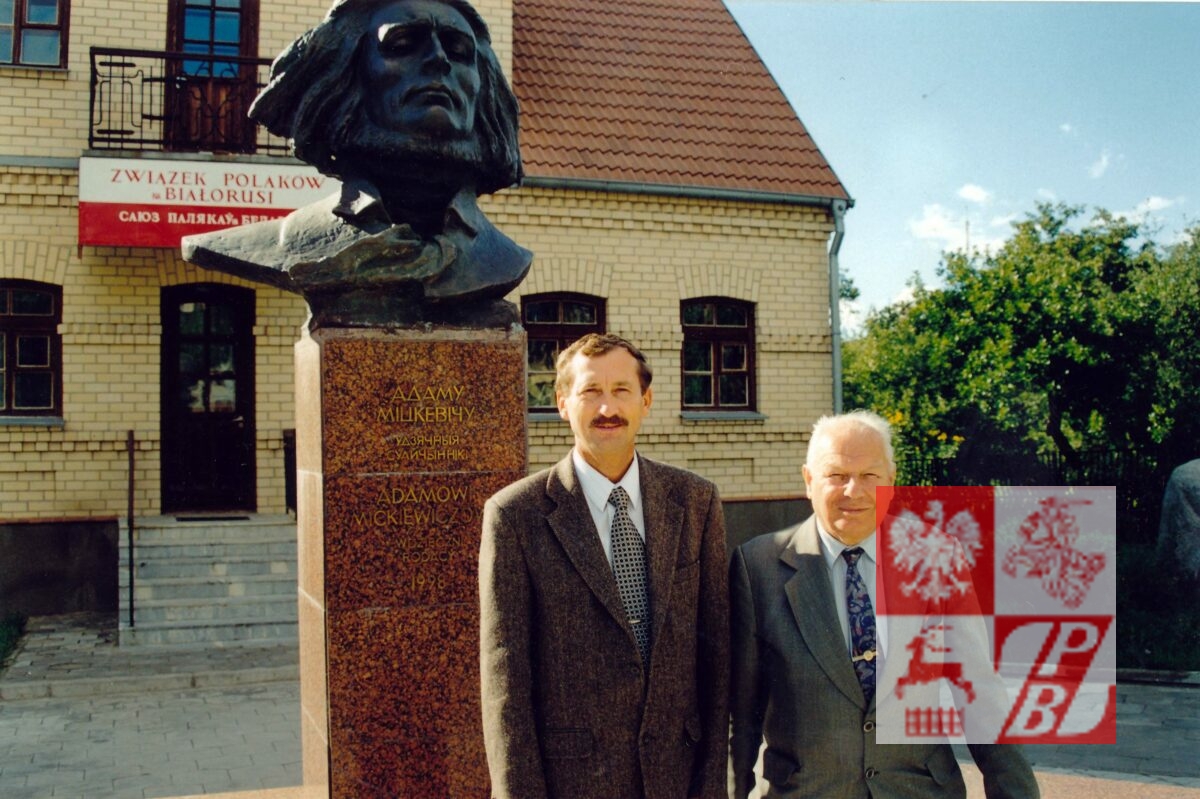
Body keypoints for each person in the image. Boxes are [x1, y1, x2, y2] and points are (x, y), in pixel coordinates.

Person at [728, 411, 1039, 799]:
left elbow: (979, 695)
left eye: (870, 476)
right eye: (836, 475)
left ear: (891, 484)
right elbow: (740, 716)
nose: (853, 491)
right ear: (809, 481)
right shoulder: (758, 565)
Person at [479, 333, 729, 799]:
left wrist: (712, 784)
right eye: (590, 391)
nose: (607, 408)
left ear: (646, 401)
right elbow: (505, 681)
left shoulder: (696, 502)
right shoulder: (516, 515)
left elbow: (714, 657)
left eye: (621, 391)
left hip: (678, 775)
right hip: (572, 781)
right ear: (561, 403)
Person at [182, 0, 530, 316]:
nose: (439, 59)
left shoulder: (502, 259)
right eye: (403, 45)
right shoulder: (291, 243)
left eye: (458, 50)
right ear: (347, 76)